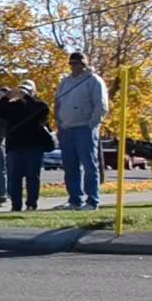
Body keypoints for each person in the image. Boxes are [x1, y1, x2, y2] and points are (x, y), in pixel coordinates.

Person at [54, 52, 109, 211]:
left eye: (78, 63)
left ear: (84, 64)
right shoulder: (65, 82)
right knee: (70, 167)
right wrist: (59, 123)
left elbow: (101, 106)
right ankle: (74, 200)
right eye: (72, 63)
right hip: (66, 128)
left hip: (85, 128)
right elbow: (57, 102)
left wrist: (92, 124)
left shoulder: (94, 80)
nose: (74, 66)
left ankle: (92, 201)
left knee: (89, 165)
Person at [0, 80, 53, 212]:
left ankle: (31, 204)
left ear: (33, 92)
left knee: (32, 177)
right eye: (21, 90)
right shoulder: (13, 106)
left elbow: (43, 111)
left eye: (26, 90)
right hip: (15, 147)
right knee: (14, 178)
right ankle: (16, 205)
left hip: (34, 147)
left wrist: (26, 96)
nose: (22, 93)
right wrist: (6, 97)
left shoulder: (39, 105)